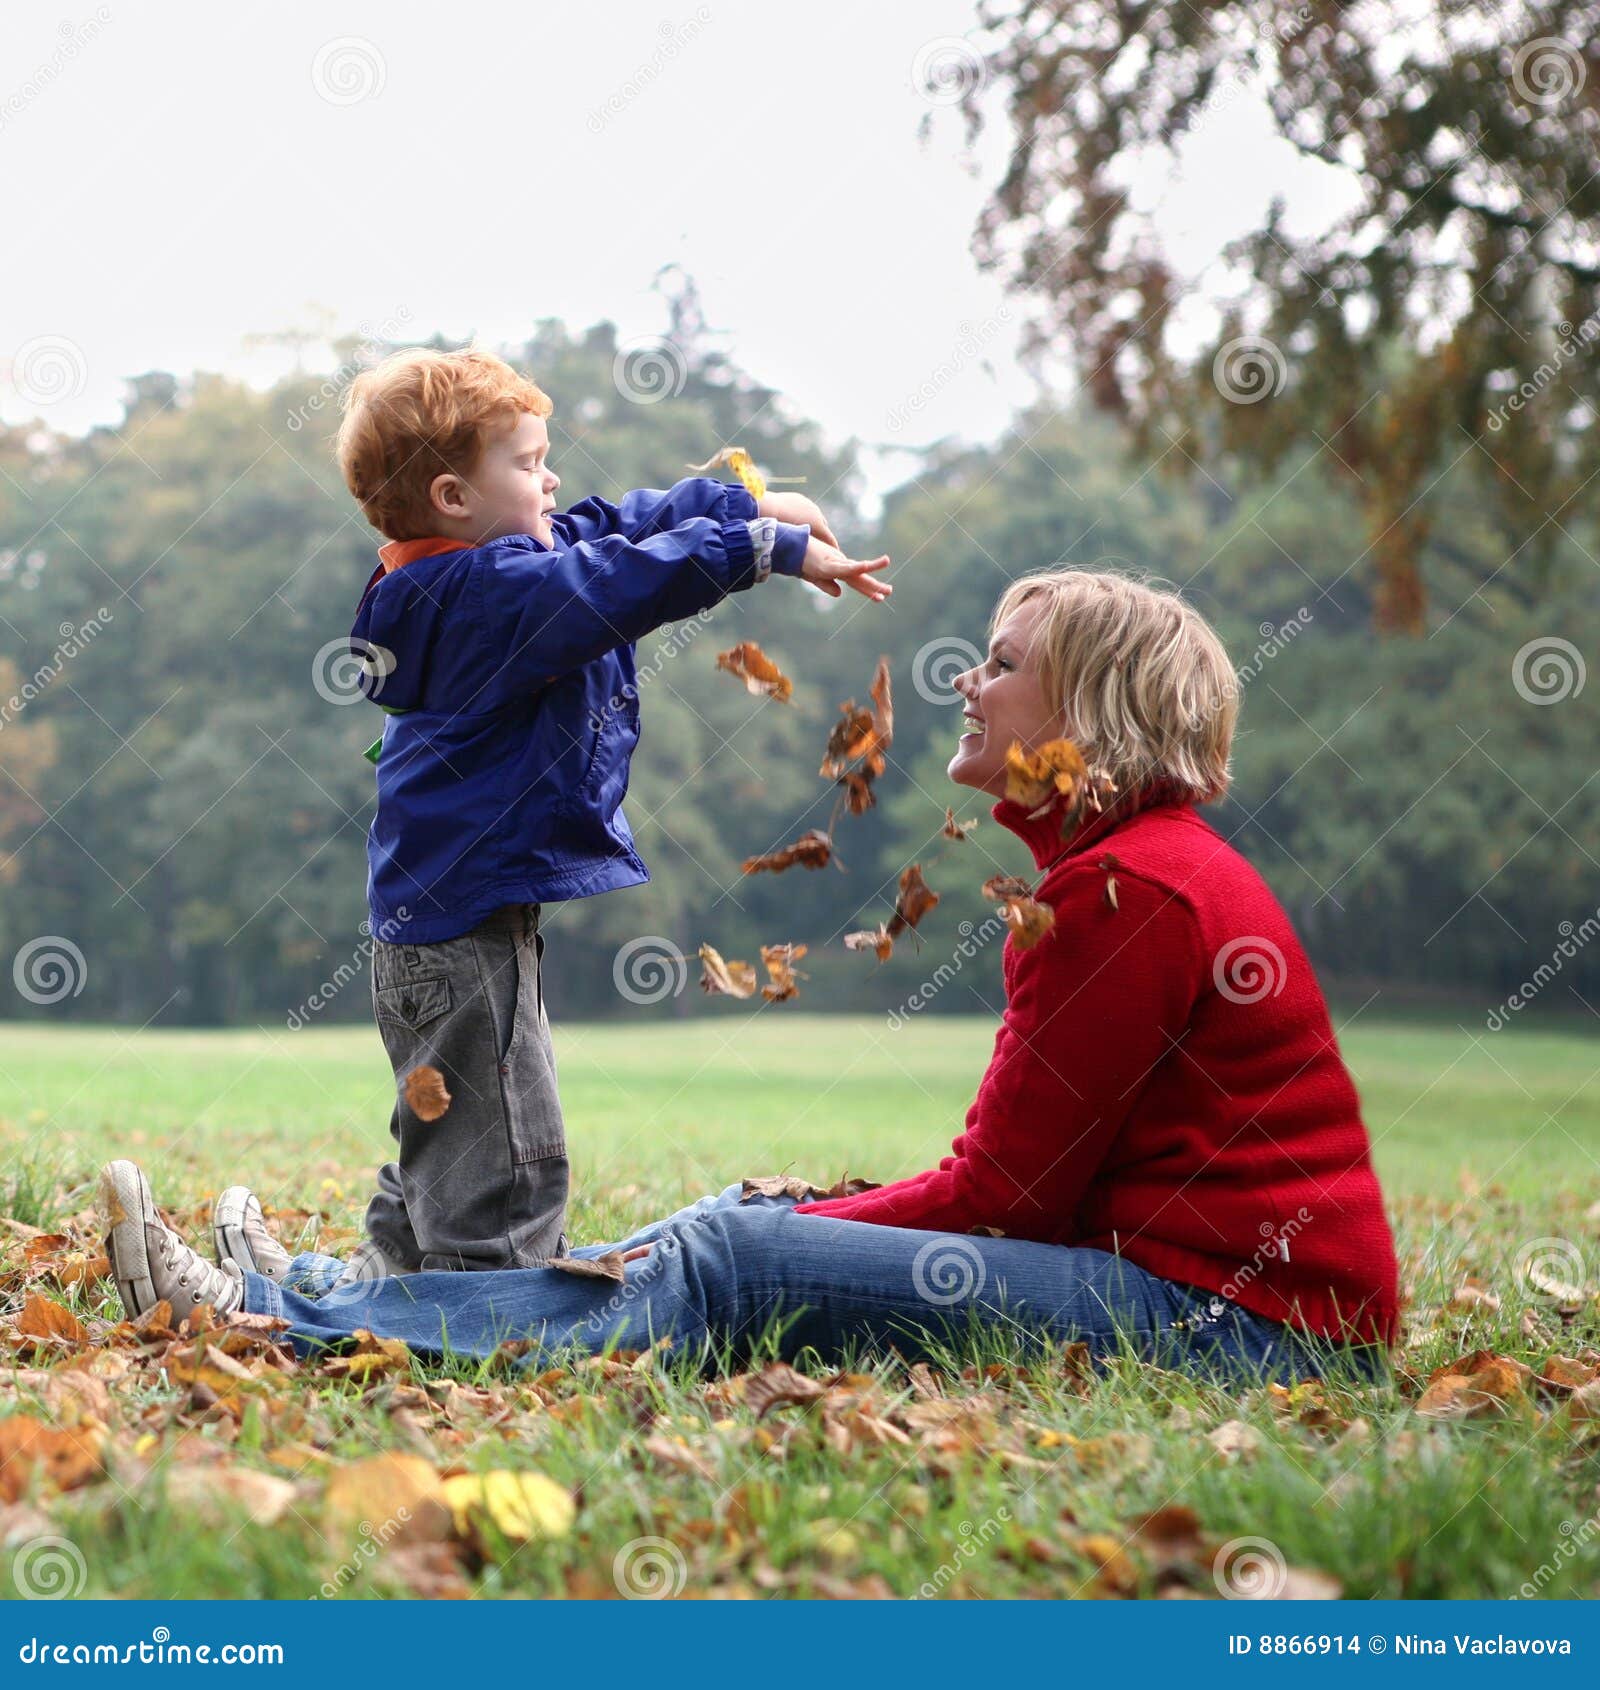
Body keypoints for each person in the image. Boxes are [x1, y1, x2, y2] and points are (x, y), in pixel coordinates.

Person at [98, 568, 1398, 1385]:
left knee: (731, 1249)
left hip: (1247, 1334)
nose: (966, 679)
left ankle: (272, 1322)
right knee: (734, 1220)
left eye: (1006, 662)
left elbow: (1008, 1200)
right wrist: (810, 1209)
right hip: (1199, 1297)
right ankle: (327, 1295)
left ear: (1092, 709)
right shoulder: (1122, 872)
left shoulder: (1129, 893)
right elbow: (1026, 1193)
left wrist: (808, 1225)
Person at [306, 345, 889, 1291]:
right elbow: (619, 580)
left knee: (461, 1127)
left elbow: (612, 527)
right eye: (529, 462)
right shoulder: (488, 596)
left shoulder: (483, 572)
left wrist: (747, 508)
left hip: (449, 918)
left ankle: (349, 1294)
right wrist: (761, 550)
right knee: (509, 1157)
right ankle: (493, 1317)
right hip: (459, 929)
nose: (552, 478)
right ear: (455, 497)